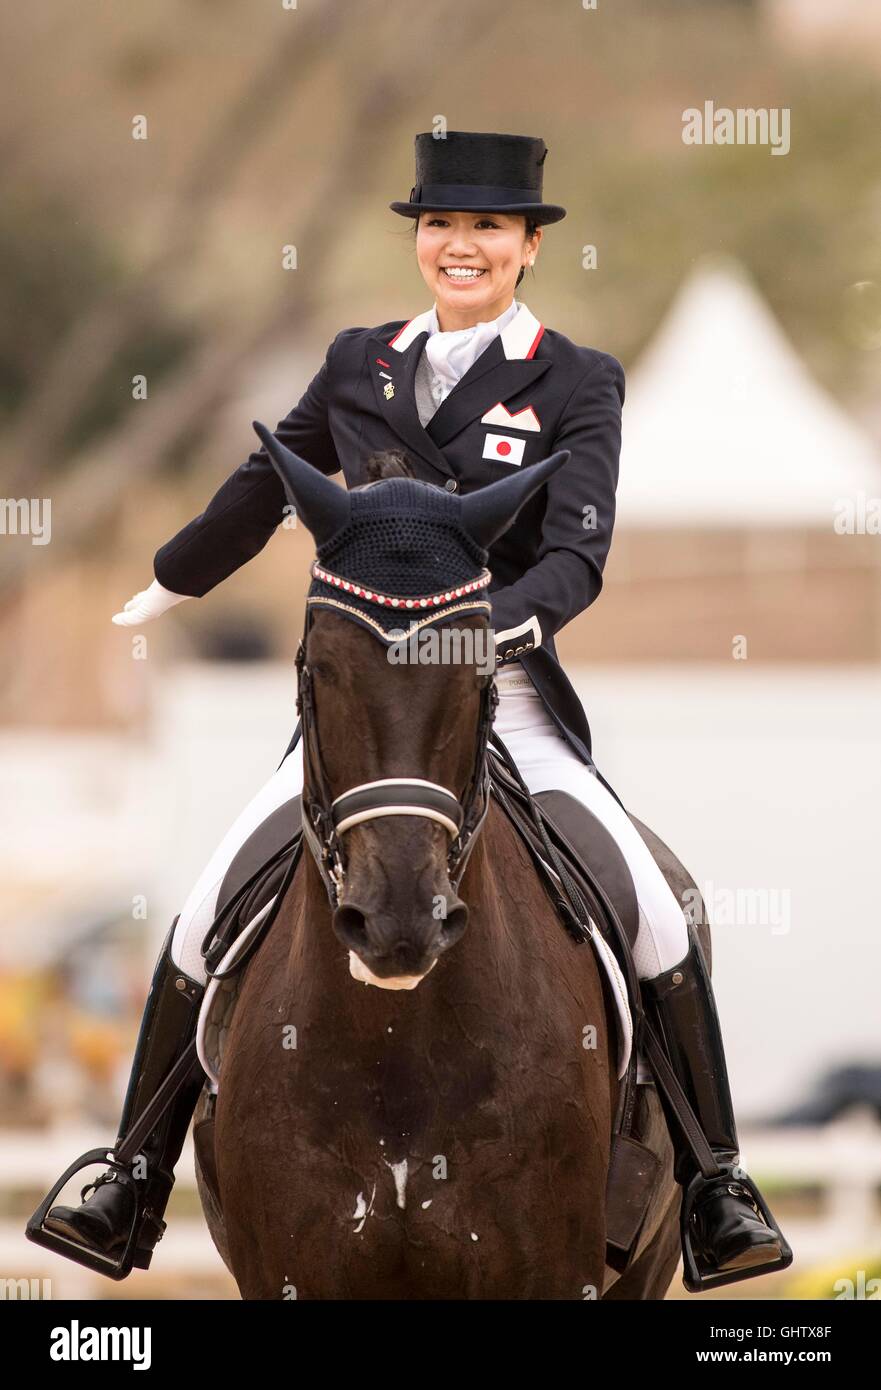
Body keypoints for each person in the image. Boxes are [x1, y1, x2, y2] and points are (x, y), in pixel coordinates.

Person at [33, 130, 790, 1289]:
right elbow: (265, 483)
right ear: (420, 241)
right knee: (198, 913)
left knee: (654, 911)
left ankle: (715, 1183)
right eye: (441, 226)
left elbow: (577, 554)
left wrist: (484, 631)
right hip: (355, 710)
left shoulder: (575, 380)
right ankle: (128, 1175)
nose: (460, 246)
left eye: (488, 228)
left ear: (527, 247)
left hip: (500, 699)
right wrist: (175, 576)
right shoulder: (356, 363)